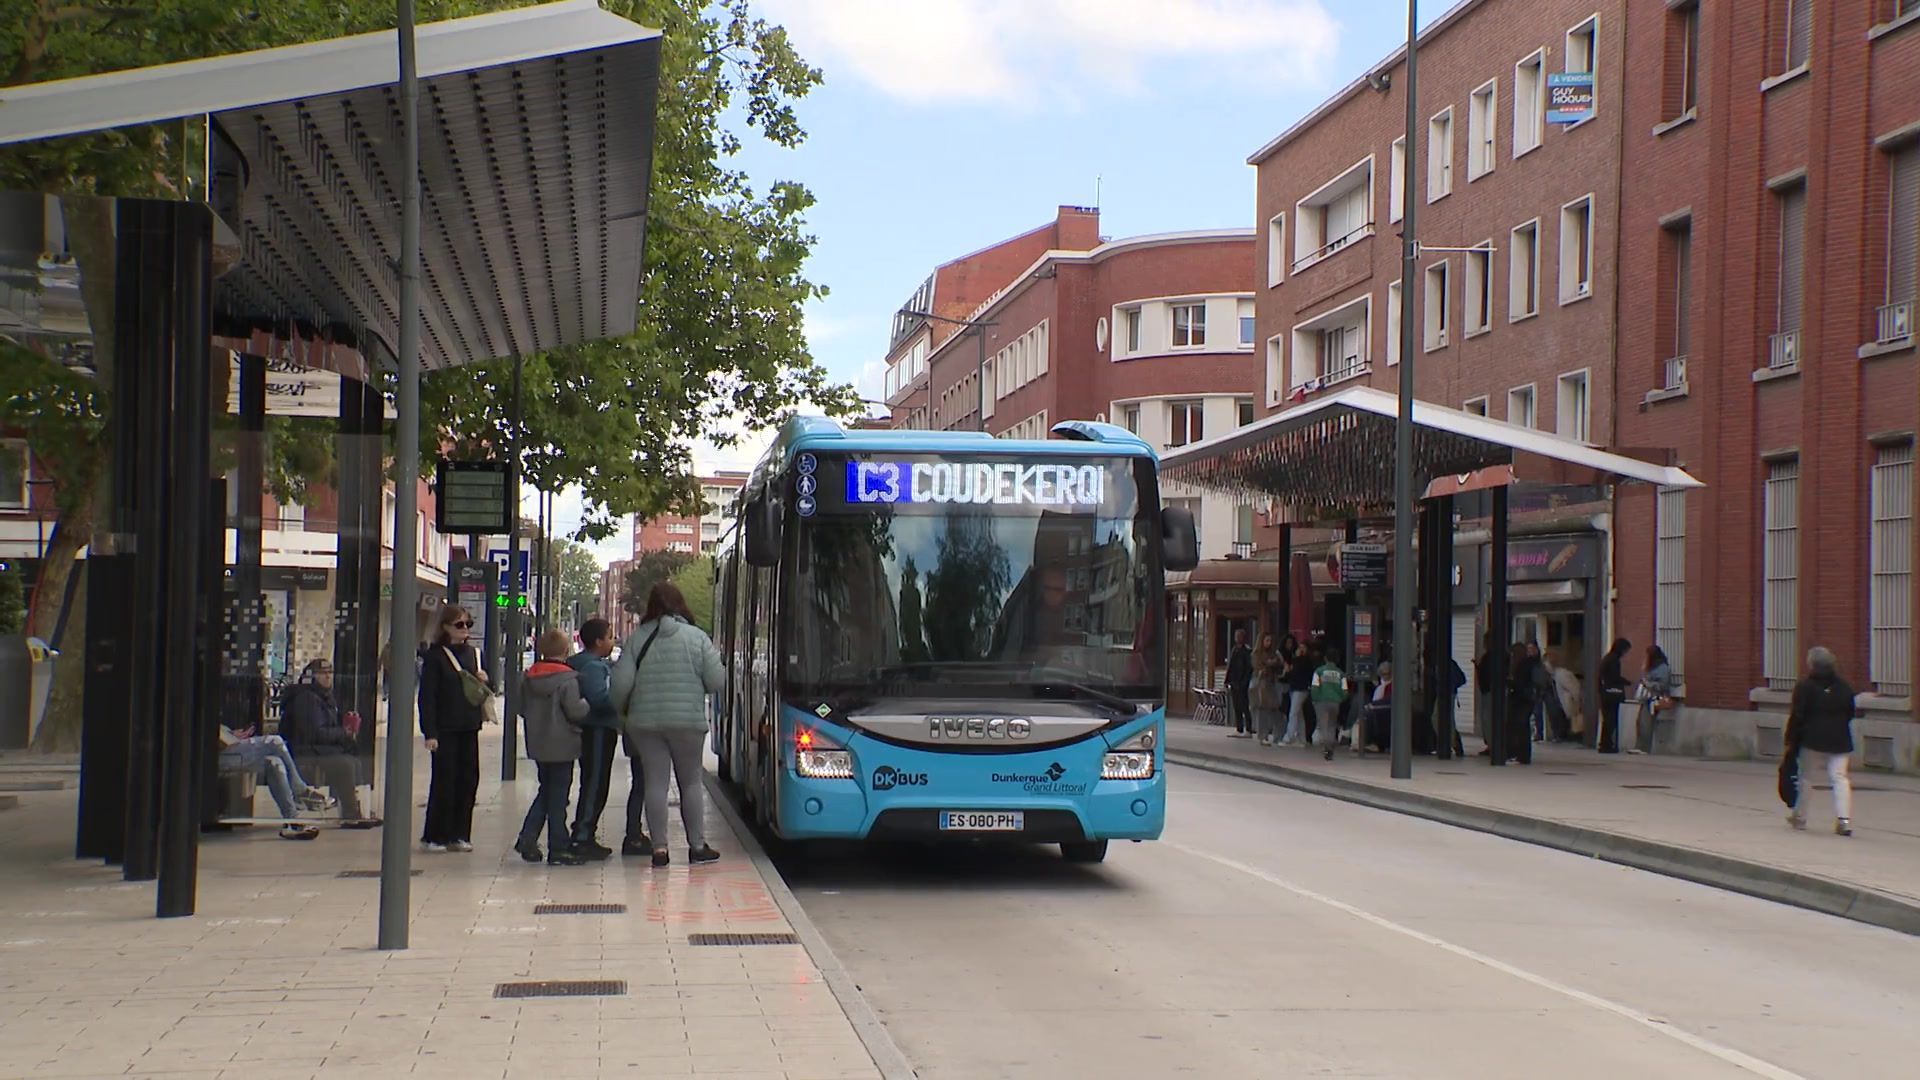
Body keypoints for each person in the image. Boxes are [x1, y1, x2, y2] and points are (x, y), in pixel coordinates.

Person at [612, 582, 725, 867]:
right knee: (690, 783)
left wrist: (622, 714)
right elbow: (716, 682)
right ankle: (697, 846)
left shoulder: (637, 638)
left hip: (645, 724)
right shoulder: (698, 638)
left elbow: (620, 684)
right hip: (687, 722)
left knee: (655, 784)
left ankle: (659, 849)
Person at [516, 630, 591, 866]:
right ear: (566, 651)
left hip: (538, 744)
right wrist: (588, 704)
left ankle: (528, 838)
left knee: (546, 791)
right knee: (558, 797)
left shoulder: (529, 677)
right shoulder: (568, 680)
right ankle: (558, 848)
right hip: (563, 744)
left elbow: (521, 707)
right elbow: (575, 711)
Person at [419, 603, 488, 853]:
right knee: (444, 780)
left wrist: (483, 680)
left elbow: (485, 690)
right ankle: (436, 834)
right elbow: (428, 696)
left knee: (468, 779)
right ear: (445, 627)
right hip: (445, 727)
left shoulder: (473, 654)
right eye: (459, 624)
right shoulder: (435, 657)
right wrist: (430, 733)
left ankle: (460, 833)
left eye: (467, 624)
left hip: (469, 725)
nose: (464, 629)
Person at [279, 659, 375, 825]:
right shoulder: (307, 698)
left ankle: (352, 806)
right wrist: (343, 733)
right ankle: (351, 813)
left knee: (352, 758)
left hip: (316, 748)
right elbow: (316, 733)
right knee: (344, 764)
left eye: (330, 672)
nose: (327, 676)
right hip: (306, 752)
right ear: (312, 676)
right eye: (322, 673)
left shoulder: (324, 697)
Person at [1784, 646, 1857, 836]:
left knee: (1807, 778)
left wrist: (1791, 739)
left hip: (1812, 739)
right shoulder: (1844, 687)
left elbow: (1798, 715)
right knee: (1840, 777)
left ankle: (1800, 816)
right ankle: (1844, 820)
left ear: (1812, 664)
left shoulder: (1805, 687)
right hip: (1840, 739)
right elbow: (1850, 712)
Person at [217, 723, 333, 838]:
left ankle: (291, 821)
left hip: (228, 747)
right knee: (275, 741)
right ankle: (300, 791)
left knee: (275, 763)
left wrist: (230, 734)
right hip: (217, 755)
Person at [568, 619, 622, 859]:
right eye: (610, 637)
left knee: (592, 781)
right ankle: (583, 835)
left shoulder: (579, 663)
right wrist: (621, 702)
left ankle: (585, 832)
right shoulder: (594, 667)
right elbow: (600, 698)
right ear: (598, 641)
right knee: (596, 783)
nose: (613, 641)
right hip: (598, 729)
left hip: (588, 729)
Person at [1630, 645, 1674, 755]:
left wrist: (1649, 684)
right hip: (1647, 698)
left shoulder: (1662, 668)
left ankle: (1644, 747)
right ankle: (1639, 745)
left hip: (1654, 698)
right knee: (1640, 722)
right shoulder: (1653, 667)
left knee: (1646, 722)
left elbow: (1663, 685)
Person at [1310, 649, 1350, 761]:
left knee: (1323, 726)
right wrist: (1340, 699)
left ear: (1325, 658)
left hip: (1321, 702)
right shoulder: (1341, 674)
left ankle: (1327, 748)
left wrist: (1315, 699)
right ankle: (1331, 746)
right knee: (1332, 725)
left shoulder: (1319, 671)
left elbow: (1314, 688)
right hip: (1335, 702)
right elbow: (1345, 691)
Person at [1596, 638, 1631, 753]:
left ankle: (1605, 743)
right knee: (1611, 720)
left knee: (1606, 720)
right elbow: (1614, 677)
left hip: (1605, 693)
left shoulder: (1607, 658)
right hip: (1612, 693)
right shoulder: (1614, 660)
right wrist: (1626, 682)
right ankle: (1607, 744)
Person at [1505, 642, 1537, 765]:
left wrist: (1509, 683)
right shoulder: (1530, 664)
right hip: (1527, 699)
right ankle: (1523, 755)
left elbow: (1520, 683)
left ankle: (1516, 753)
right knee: (1523, 727)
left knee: (1518, 726)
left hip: (1521, 699)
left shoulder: (1522, 666)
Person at [1252, 633, 1285, 746]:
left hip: (1273, 683)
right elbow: (1258, 668)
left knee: (1276, 711)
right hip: (1263, 683)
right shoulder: (1257, 654)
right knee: (1263, 710)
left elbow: (1280, 665)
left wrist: (1276, 661)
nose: (1269, 643)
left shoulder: (1274, 653)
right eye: (1266, 640)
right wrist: (1268, 664)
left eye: (1270, 641)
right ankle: (1263, 736)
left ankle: (1278, 736)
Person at [1281, 643, 1316, 746]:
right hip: (1294, 688)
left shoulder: (1306, 661)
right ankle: (1302, 738)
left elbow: (1298, 671)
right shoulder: (1296, 660)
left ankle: (1289, 737)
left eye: (1303, 648)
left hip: (1301, 689)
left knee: (1293, 712)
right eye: (1299, 648)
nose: (1301, 650)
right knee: (1299, 714)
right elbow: (1290, 674)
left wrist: (1293, 664)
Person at [1225, 630, 1254, 738]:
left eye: (1240, 636)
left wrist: (1244, 681)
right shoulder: (1234, 650)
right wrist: (1227, 680)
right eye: (1236, 636)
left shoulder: (1246, 651)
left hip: (1242, 683)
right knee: (1236, 706)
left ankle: (1249, 729)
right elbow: (1231, 666)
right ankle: (1239, 728)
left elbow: (1249, 668)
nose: (1237, 638)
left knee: (1244, 706)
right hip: (1234, 682)